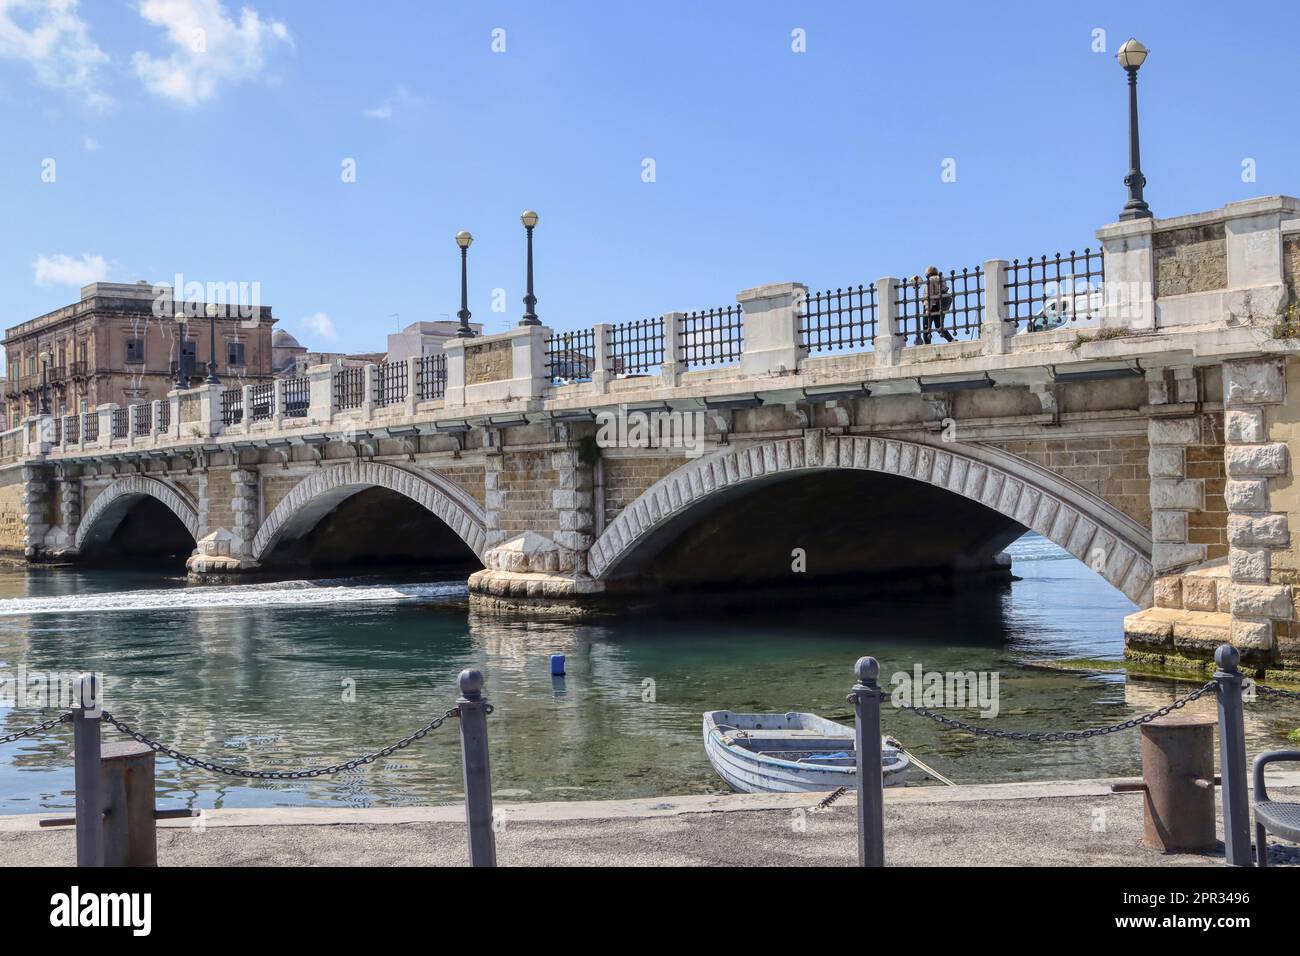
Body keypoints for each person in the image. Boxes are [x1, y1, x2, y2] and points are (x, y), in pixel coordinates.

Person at [919, 265, 955, 345]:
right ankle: (951, 340)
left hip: (931, 306)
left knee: (926, 328)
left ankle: (927, 345)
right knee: (939, 326)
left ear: (928, 273)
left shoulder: (930, 280)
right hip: (940, 306)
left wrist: (927, 308)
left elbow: (929, 295)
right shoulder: (942, 279)